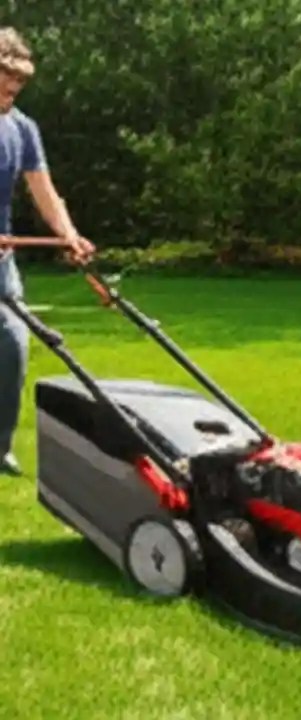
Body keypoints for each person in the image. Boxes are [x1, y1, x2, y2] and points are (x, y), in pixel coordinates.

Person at [0, 28, 95, 475]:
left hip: (1, 265)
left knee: (12, 347)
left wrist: (70, 235)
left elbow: (44, 190)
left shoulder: (22, 129)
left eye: (17, 84)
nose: (11, 91)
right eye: (4, 80)